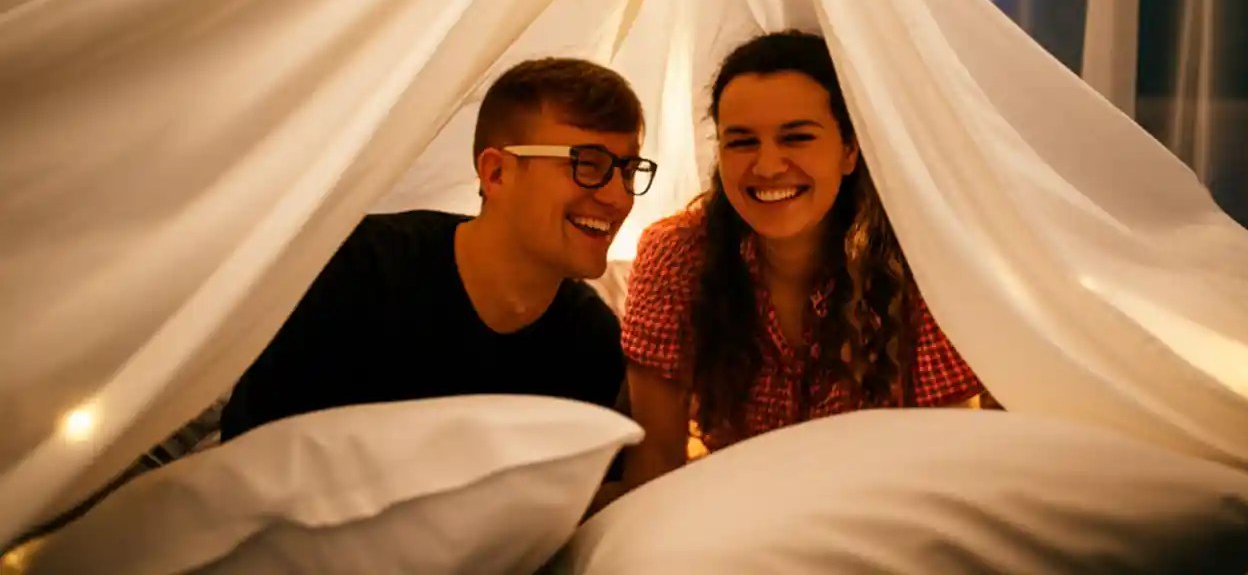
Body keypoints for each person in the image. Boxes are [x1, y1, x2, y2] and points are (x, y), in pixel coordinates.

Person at [617, 31, 986, 495]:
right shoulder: (676, 255)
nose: (768, 166)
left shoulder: (916, 259)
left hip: (887, 514)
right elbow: (655, 460)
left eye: (796, 137)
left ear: (850, 149)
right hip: (734, 515)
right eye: (742, 142)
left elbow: (951, 463)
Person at [221, 57, 657, 443]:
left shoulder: (589, 342)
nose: (618, 198)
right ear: (497, 173)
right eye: (588, 166)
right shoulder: (359, 271)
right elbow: (250, 454)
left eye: (628, 171)